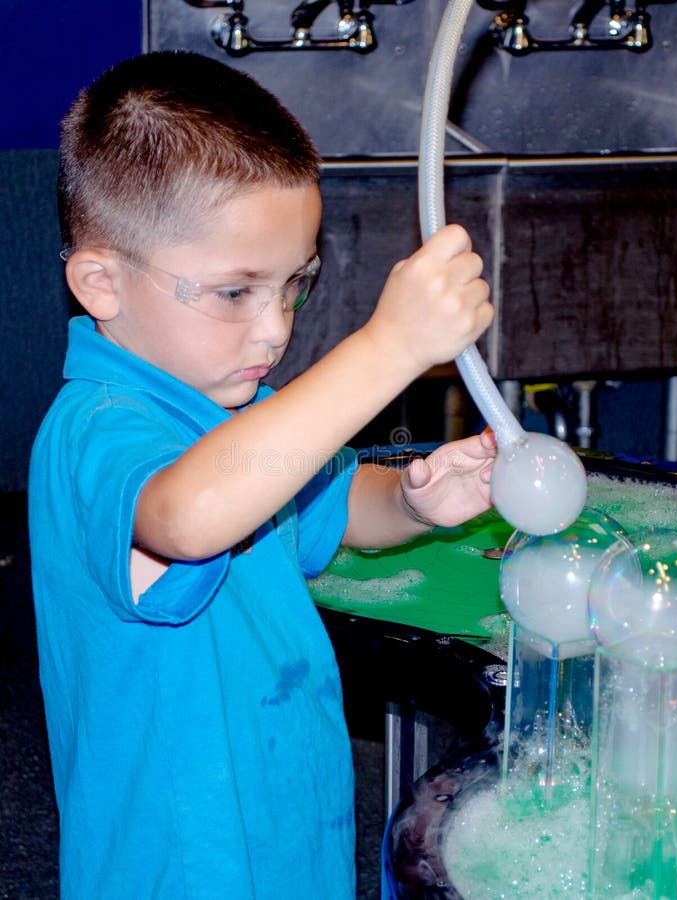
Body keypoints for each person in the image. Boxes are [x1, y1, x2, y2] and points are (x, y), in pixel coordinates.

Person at [29, 50, 496, 899]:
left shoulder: (242, 413)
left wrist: (414, 500)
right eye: (235, 293)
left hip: (289, 822)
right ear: (101, 284)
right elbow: (188, 516)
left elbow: (334, 502)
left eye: (294, 286)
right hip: (179, 867)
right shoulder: (95, 431)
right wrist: (387, 348)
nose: (276, 328)